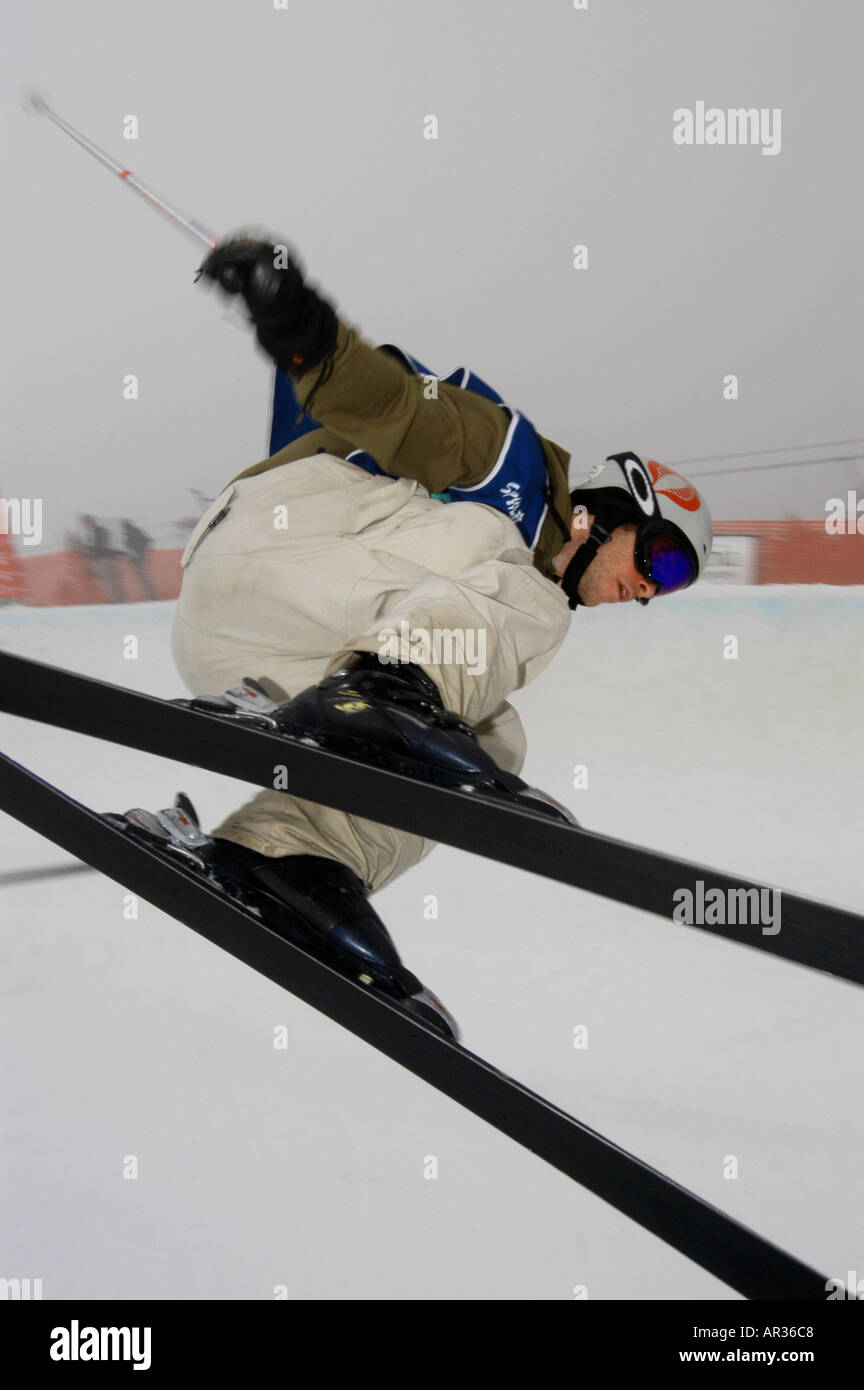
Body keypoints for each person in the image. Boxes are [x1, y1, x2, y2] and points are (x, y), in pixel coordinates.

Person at [123, 234, 713, 1039]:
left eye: (671, 586)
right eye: (662, 555)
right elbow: (392, 405)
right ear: (607, 509)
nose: (651, 586)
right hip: (274, 548)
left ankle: (285, 856)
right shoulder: (515, 467)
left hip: (268, 648)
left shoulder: (502, 595)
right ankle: (382, 690)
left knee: (495, 741)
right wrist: (301, 327)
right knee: (519, 584)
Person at [120, 519, 158, 600]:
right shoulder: (130, 533)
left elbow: (143, 542)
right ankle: (150, 596)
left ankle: (152, 596)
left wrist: (138, 552)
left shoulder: (134, 532)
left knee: (144, 578)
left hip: (139, 558)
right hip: (136, 558)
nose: (122, 528)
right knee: (142, 578)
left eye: (123, 526)